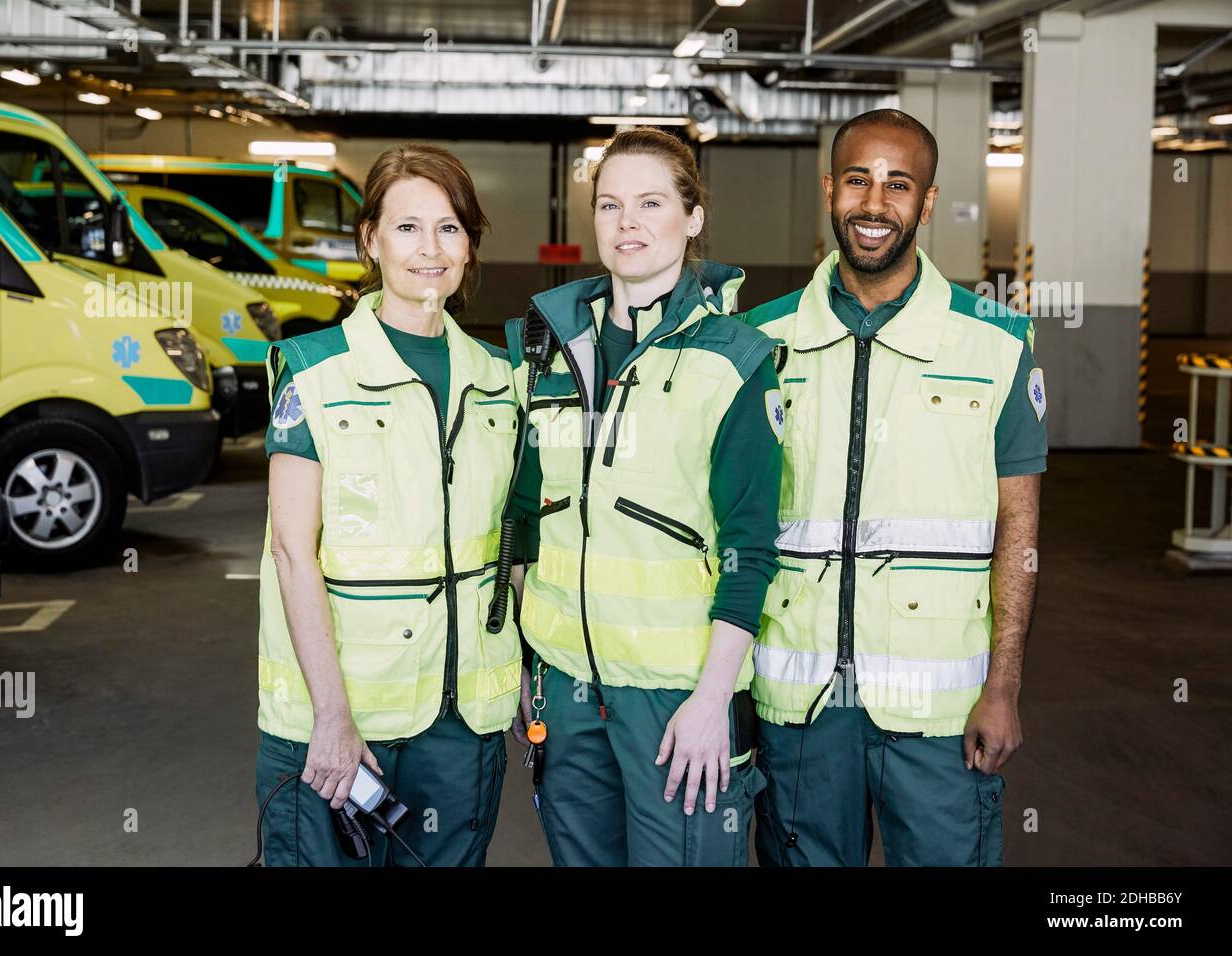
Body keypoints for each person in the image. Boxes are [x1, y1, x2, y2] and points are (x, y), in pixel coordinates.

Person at [744, 108, 1046, 866]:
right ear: (829, 190)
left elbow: (1019, 529)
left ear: (928, 201)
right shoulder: (760, 342)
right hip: (799, 702)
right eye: (858, 180)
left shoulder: (997, 343)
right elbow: (735, 521)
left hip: (940, 712)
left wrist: (1003, 686)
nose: (874, 203)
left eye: (899, 185)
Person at [505, 127, 782, 866]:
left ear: (693, 218)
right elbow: (525, 520)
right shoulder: (549, 353)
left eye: (651, 203)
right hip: (566, 690)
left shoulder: (736, 361)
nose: (627, 222)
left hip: (677, 698)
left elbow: (752, 548)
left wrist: (712, 701)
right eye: (610, 205)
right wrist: (531, 667)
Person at [254, 145, 522, 866]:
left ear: (469, 245)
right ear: (370, 240)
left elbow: (507, 544)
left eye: (449, 228)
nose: (429, 249)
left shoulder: (499, 380)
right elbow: (292, 552)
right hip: (338, 719)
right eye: (407, 228)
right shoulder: (314, 371)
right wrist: (332, 717)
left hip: (459, 724)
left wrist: (522, 680)